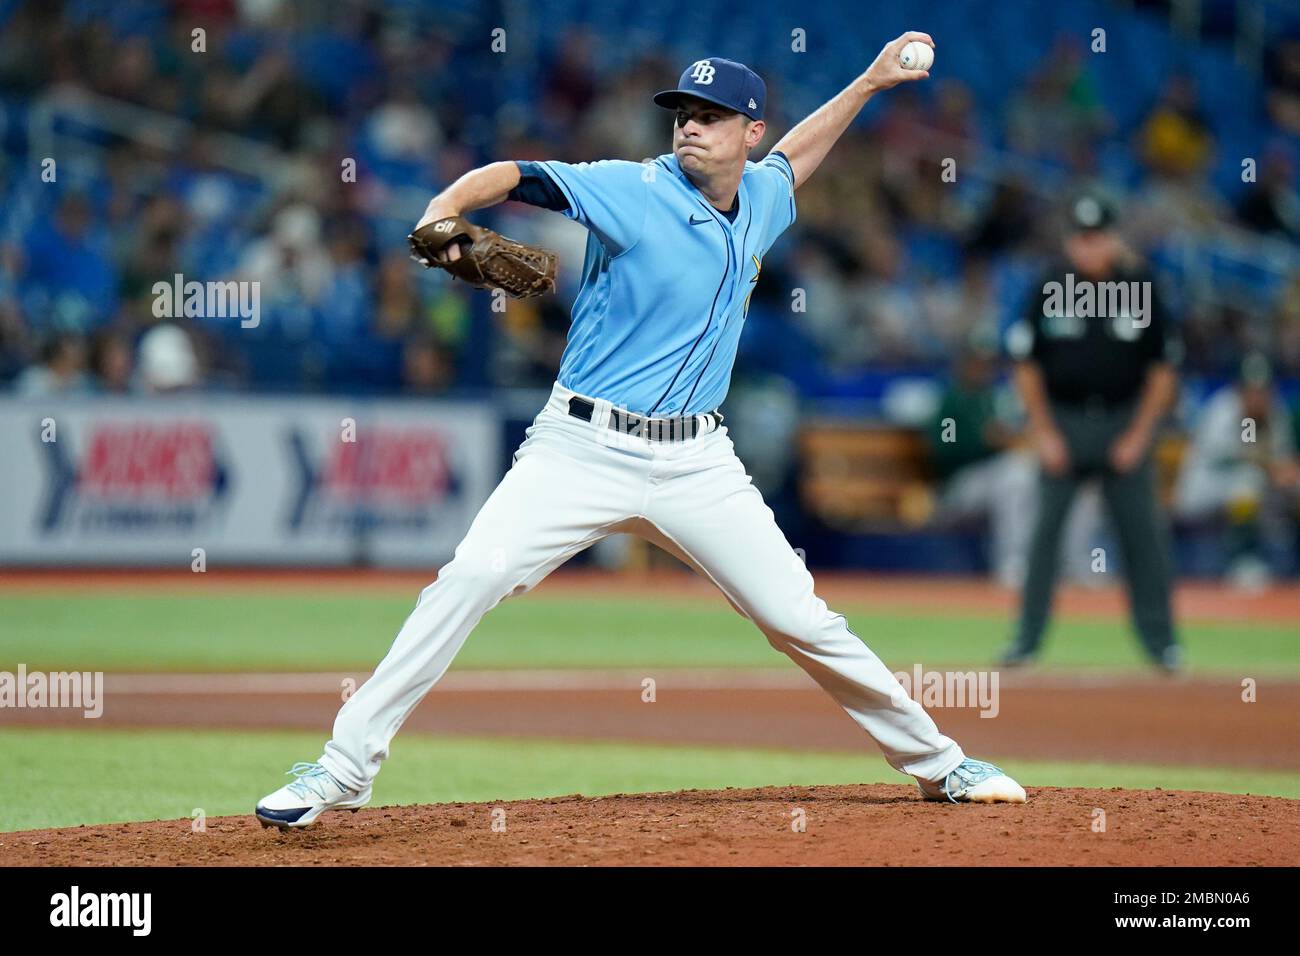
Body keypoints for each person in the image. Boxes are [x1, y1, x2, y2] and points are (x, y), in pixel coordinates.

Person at [256, 37, 1028, 829]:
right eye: (683, 114)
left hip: (698, 461)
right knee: (471, 577)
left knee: (800, 619)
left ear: (749, 132)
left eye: (712, 117)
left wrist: (868, 82)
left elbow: (800, 157)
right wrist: (442, 209)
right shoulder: (630, 189)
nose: (690, 127)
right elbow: (516, 175)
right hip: (581, 447)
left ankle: (940, 765)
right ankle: (343, 769)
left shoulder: (762, 196)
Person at [999, 191, 1184, 672]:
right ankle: (1026, 641)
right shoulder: (1049, 283)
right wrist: (1044, 432)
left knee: (1143, 536)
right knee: (1044, 537)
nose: (1090, 248)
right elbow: (1025, 364)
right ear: (1070, 242)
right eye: (1081, 239)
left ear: (1113, 238)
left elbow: (1163, 370)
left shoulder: (1141, 284)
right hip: (1065, 420)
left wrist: (1139, 436)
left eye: (1098, 237)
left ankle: (1162, 644)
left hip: (1124, 421)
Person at [1174, 353, 1300, 589]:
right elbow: (1239, 457)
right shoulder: (1223, 408)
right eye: (1251, 390)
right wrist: (1273, 466)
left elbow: (1284, 462)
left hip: (1247, 501)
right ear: (1239, 389)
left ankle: (1278, 564)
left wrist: (1287, 472)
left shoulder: (1275, 412)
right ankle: (1243, 559)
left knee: (1286, 485)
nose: (1258, 397)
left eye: (1263, 390)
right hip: (1203, 494)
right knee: (1248, 482)